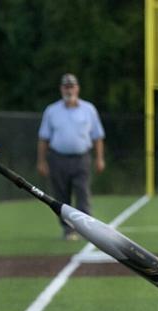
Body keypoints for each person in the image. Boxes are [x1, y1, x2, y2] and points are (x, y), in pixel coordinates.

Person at [36, 73, 106, 241]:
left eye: (72, 86)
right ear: (61, 89)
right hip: (58, 158)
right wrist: (41, 161)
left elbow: (97, 136)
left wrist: (99, 158)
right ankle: (68, 230)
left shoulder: (88, 109)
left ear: (77, 88)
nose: (69, 90)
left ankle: (87, 229)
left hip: (81, 158)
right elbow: (44, 138)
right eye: (66, 87)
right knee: (62, 196)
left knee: (82, 193)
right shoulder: (52, 110)